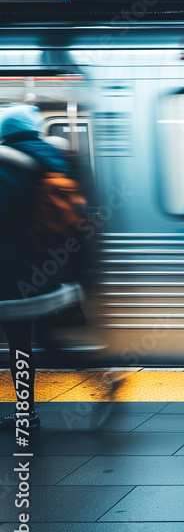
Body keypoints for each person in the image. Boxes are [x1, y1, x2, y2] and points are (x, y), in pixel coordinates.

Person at [0, 105, 84, 431]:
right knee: (44, 339)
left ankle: (26, 413)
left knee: (20, 344)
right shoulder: (52, 160)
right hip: (50, 270)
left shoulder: (9, 166)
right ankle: (104, 379)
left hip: (15, 275)